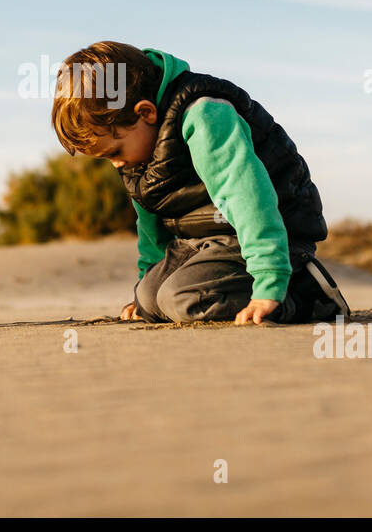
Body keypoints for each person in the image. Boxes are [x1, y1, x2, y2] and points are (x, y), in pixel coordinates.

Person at [50, 40, 351, 326]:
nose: (116, 163)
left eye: (115, 152)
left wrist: (269, 279)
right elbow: (150, 223)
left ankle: (304, 294)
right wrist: (146, 282)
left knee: (182, 300)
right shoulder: (137, 149)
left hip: (268, 234)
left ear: (145, 112)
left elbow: (248, 198)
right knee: (151, 299)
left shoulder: (206, 116)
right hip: (200, 241)